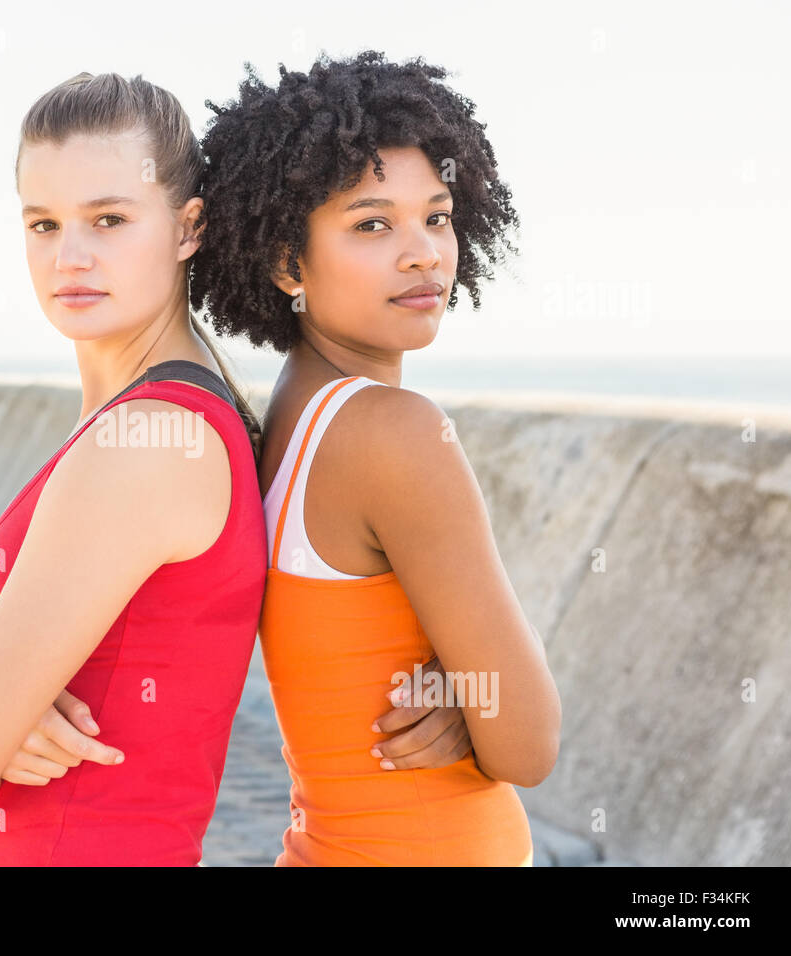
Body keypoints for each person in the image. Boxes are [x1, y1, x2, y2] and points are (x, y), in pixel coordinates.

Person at [190, 51, 562, 865]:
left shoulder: (281, 422)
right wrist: (480, 699)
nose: (424, 252)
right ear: (288, 261)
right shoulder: (395, 433)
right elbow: (529, 745)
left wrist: (473, 694)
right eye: (372, 223)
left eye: (436, 215)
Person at [0, 71, 268, 866]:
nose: (70, 256)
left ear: (187, 227)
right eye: (43, 224)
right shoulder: (137, 419)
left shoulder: (144, 444)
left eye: (109, 219)